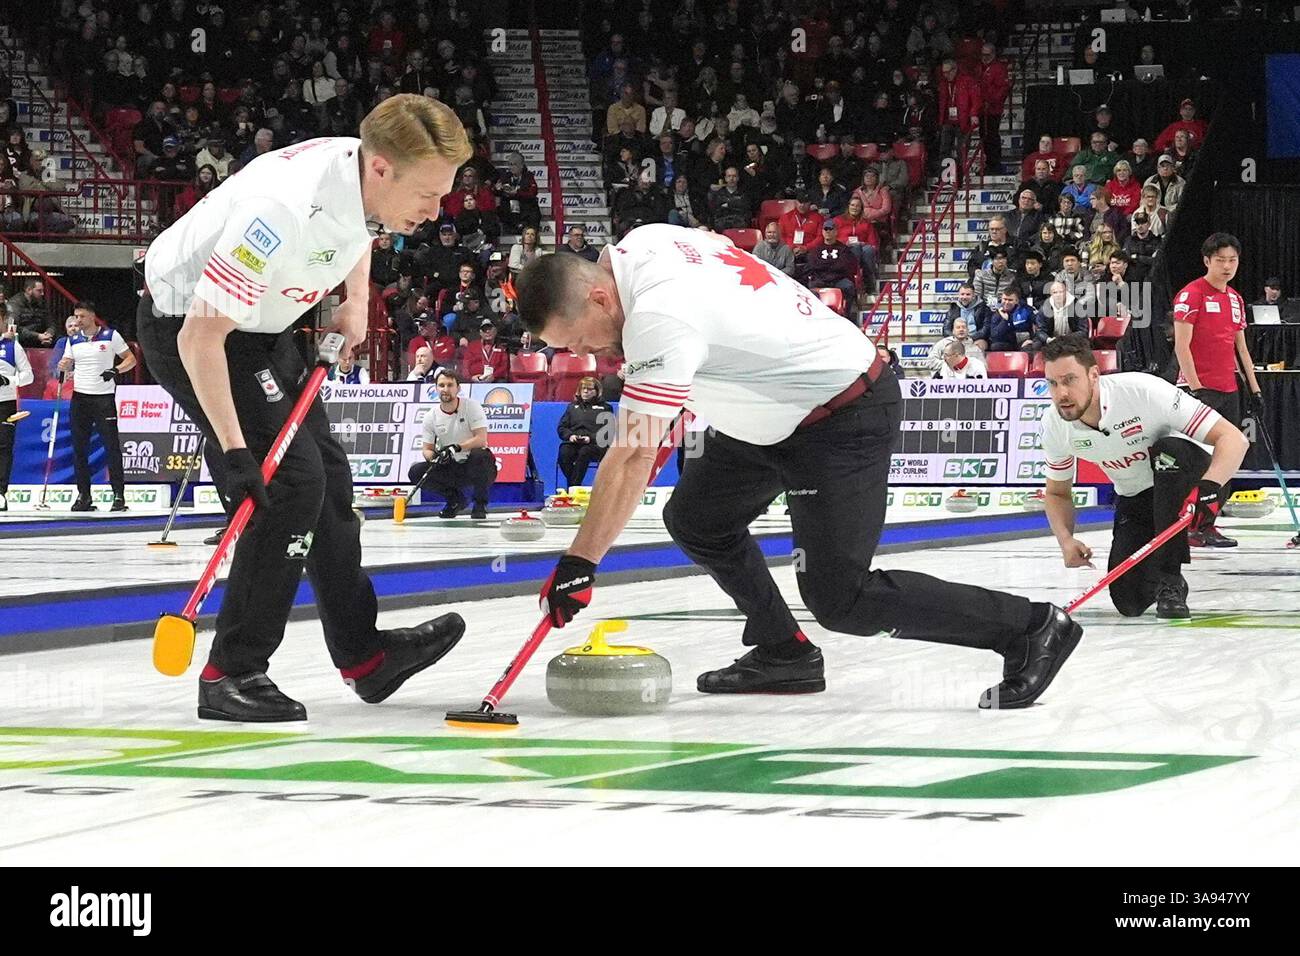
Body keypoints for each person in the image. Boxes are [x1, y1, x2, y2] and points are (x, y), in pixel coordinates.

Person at [516, 224, 1082, 709]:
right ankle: (784, 651)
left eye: (580, 340)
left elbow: (635, 453)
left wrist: (580, 562)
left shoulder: (658, 318)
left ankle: (1030, 627)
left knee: (841, 599)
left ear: (599, 298)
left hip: (841, 413)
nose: (585, 356)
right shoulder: (647, 240)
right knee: (697, 518)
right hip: (769, 413)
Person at [138, 94, 469, 722]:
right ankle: (231, 672)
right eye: (429, 194)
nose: (436, 211)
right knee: (289, 484)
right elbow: (199, 339)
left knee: (331, 479)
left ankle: (365, 657)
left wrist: (355, 298)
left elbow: (359, 228)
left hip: (264, 328)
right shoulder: (280, 210)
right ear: (382, 168)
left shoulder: (363, 174)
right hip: (195, 329)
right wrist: (236, 452)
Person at [1039, 334, 1248, 619]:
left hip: (1196, 480)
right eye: (1052, 383)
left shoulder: (1142, 390)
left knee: (1168, 452)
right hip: (1138, 495)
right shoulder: (1054, 424)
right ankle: (1163, 577)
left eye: (1069, 380)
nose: (1061, 393)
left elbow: (1234, 439)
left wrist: (1210, 488)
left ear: (1094, 375)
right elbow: (1057, 492)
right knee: (1129, 600)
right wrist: (1066, 540)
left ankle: (1170, 578)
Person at [1172, 233, 1262, 548]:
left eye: (1232, 260)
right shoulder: (1191, 294)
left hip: (1228, 389)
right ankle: (1188, 524)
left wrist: (1255, 389)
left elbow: (1241, 349)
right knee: (1199, 460)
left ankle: (1206, 524)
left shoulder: (1235, 299)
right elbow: (1181, 346)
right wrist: (1196, 388)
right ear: (1207, 261)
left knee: (1227, 459)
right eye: (1220, 260)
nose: (1227, 266)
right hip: (1197, 389)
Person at [55, 303, 135, 511]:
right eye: (75, 316)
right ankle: (84, 495)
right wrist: (63, 364)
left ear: (92, 316)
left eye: (81, 316)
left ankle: (118, 495)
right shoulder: (73, 340)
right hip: (80, 398)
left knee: (111, 447)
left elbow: (131, 359)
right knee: (79, 449)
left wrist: (115, 370)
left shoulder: (110, 336)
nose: (78, 321)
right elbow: (66, 361)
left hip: (103, 398)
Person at [407, 368, 495, 519]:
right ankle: (455, 500)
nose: (445, 389)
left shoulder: (471, 407)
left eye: (450, 385)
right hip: (451, 466)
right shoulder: (430, 416)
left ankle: (480, 504)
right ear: (436, 389)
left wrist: (457, 447)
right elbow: (427, 449)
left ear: (458, 388)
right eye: (441, 385)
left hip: (474, 465)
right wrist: (435, 457)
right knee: (416, 471)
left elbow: (481, 439)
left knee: (480, 455)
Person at [0, 307, 34, 511]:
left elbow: (28, 375)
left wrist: (8, 380)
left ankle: (1, 492)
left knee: (4, 447)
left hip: (5, 402)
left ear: (4, 319)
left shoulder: (12, 346)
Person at [556, 376, 614, 489]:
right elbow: (562, 427)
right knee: (564, 453)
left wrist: (590, 438)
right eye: (583, 389)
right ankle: (575, 485)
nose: (586, 391)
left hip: (595, 445)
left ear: (597, 391)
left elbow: (608, 432)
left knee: (584, 452)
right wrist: (570, 436)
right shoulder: (572, 407)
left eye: (589, 389)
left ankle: (573, 486)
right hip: (573, 442)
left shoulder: (606, 408)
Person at [464, 318, 508, 383]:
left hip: (495, 380)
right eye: (484, 330)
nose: (487, 331)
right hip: (475, 380)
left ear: (495, 331)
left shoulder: (501, 348)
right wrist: (471, 377)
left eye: (490, 329)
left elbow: (504, 366)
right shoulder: (472, 346)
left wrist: (494, 376)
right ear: (480, 333)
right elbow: (465, 365)